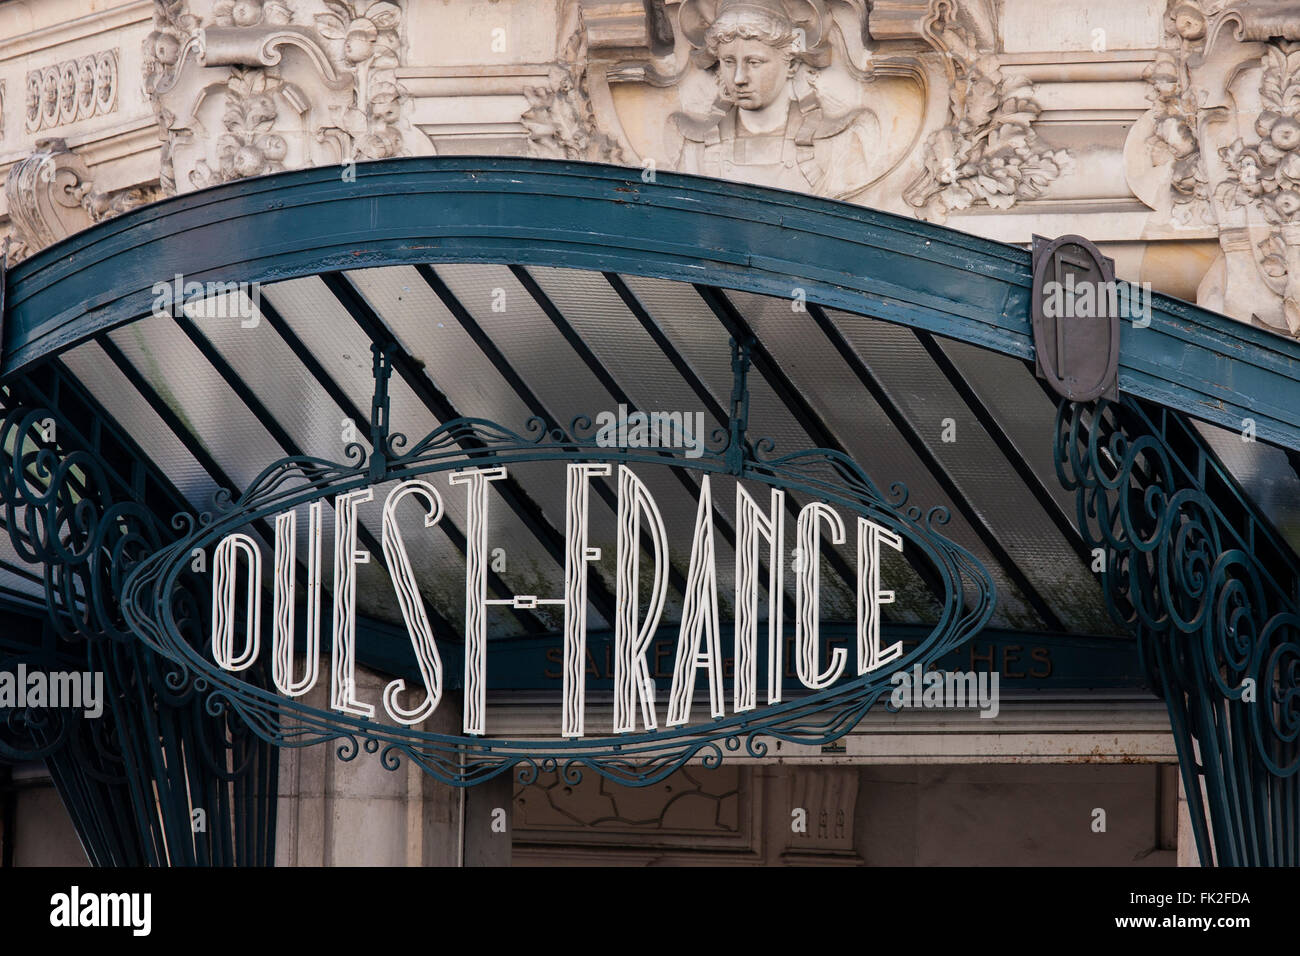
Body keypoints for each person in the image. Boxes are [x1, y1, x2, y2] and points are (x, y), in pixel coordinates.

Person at [669, 0, 879, 197]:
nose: (739, 78)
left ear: (792, 64)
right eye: (729, 62)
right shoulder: (693, 146)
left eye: (754, 62)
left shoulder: (837, 142)